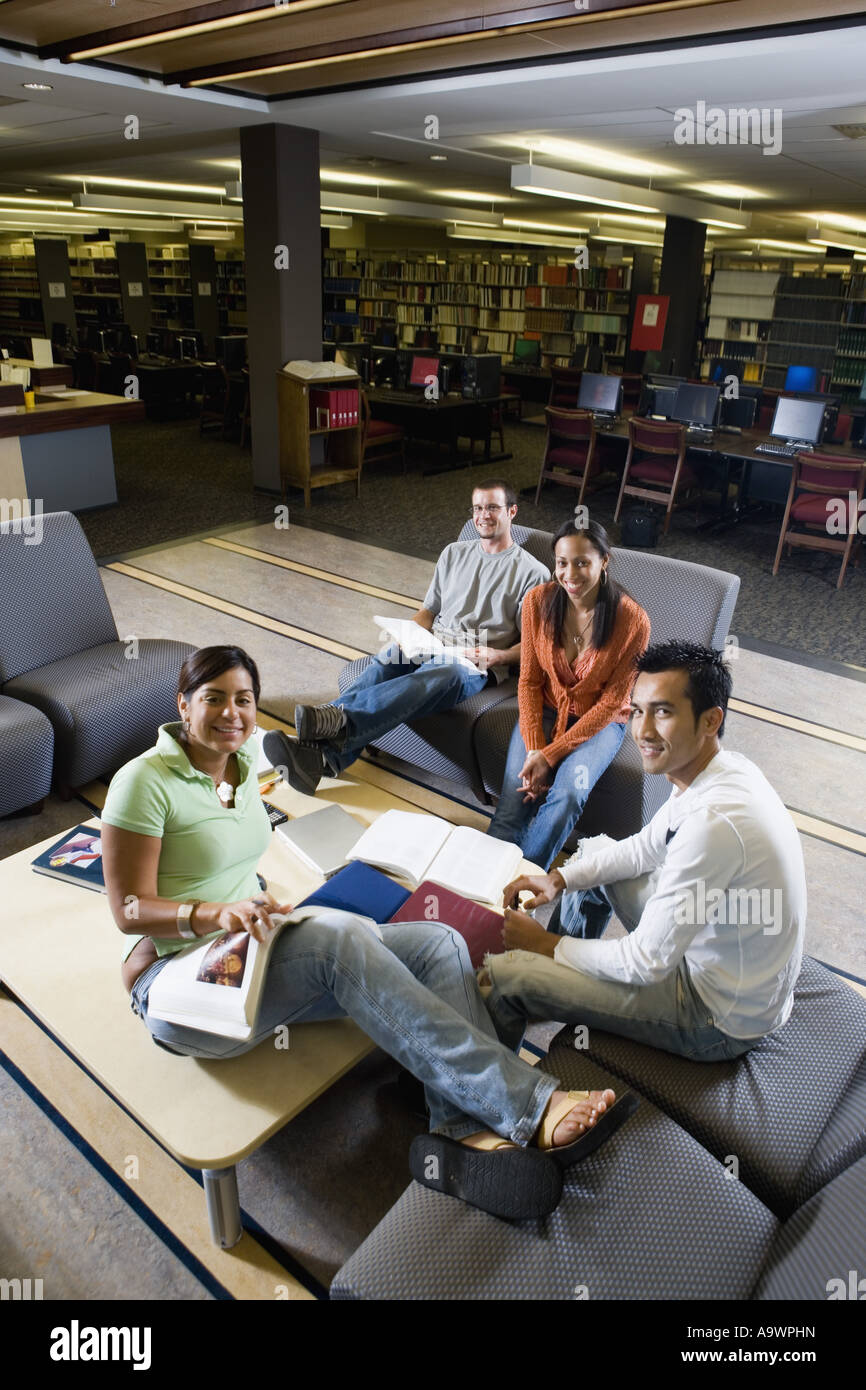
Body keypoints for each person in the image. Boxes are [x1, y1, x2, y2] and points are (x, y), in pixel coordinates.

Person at [101, 645, 636, 1222]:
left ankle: (459, 1129)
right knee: (341, 939)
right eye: (214, 698)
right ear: (183, 704)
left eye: (245, 699)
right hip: (186, 988)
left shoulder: (241, 763)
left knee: (439, 942)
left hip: (250, 952)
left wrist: (253, 900)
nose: (233, 712)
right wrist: (212, 914)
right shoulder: (143, 780)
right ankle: (531, 1105)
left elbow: (228, 854)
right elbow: (128, 909)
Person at [484, 642, 807, 1063]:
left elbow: (646, 962)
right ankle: (551, 984)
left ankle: (497, 1104)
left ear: (711, 720)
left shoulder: (714, 824)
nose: (643, 731)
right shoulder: (721, 770)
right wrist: (558, 878)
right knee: (594, 855)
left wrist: (544, 945)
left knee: (505, 977)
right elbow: (643, 849)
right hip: (722, 959)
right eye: (637, 711)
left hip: (717, 1017)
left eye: (663, 712)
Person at [264, 480, 549, 795]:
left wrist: (498, 657)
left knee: (446, 672)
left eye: (492, 507)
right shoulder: (454, 553)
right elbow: (428, 612)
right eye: (478, 508)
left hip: (473, 662)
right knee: (384, 662)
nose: (483, 515)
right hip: (432, 643)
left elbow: (535, 645)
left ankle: (334, 719)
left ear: (512, 512)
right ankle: (322, 759)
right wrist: (409, 633)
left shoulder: (533, 574)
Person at [487, 519, 650, 870]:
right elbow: (529, 681)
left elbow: (611, 703)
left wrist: (552, 755)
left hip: (601, 723)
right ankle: (481, 894)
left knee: (569, 792)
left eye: (582, 563)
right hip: (544, 710)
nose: (570, 574)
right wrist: (535, 748)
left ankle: (526, 885)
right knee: (514, 800)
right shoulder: (537, 602)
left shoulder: (633, 620)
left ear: (604, 561)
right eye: (562, 563)